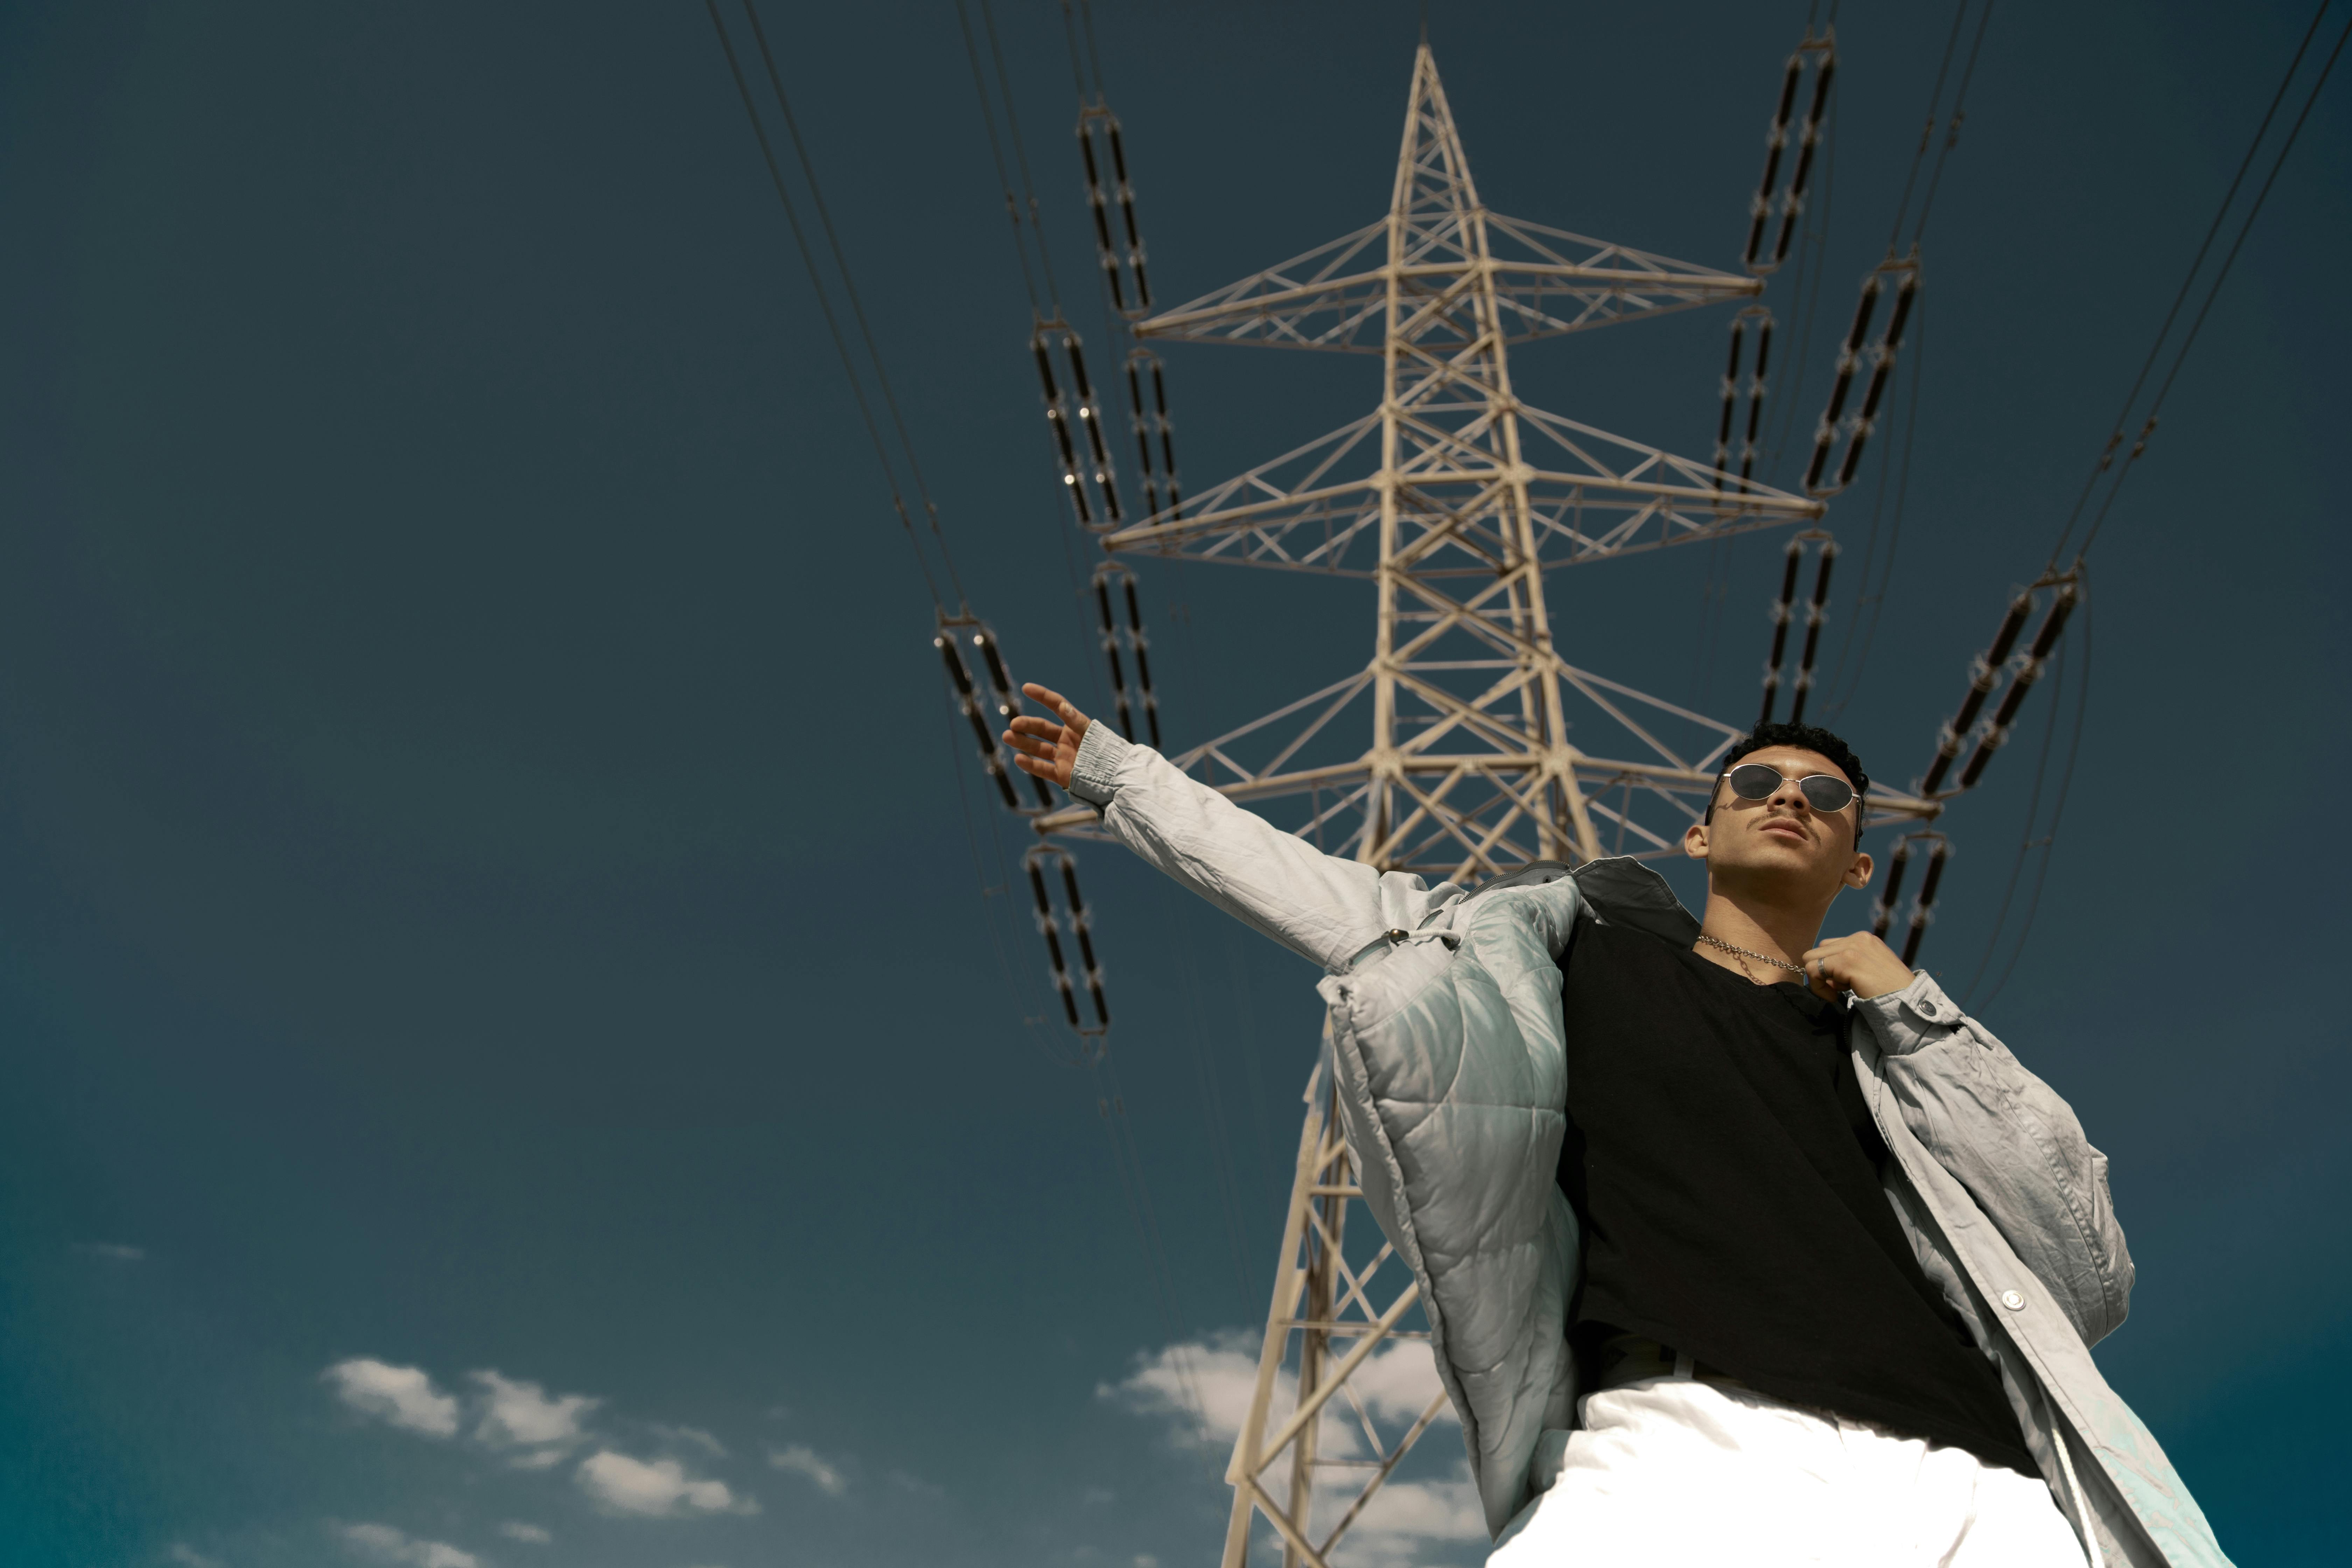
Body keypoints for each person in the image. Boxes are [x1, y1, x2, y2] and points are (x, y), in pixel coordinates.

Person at [1004, 684, 2231, 1568]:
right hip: (1674, 1458)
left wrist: (1917, 1010)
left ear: (1858, 863)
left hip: (1975, 1487)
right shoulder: (1568, 950)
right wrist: (1123, 779)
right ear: (1702, 832)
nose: (1789, 799)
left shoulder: (1894, 1051)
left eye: (1827, 798)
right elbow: (1328, 899)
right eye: (1757, 784)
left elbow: (2086, 1272)